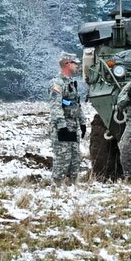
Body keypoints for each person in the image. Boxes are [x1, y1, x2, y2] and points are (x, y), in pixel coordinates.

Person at [49, 52, 85, 184]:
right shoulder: (57, 83)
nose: (77, 66)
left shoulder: (71, 83)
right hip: (63, 126)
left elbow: (74, 103)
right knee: (62, 158)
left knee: (74, 158)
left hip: (73, 126)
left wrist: (82, 122)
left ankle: (72, 185)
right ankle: (57, 186)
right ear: (67, 64)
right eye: (75, 63)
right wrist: (61, 125)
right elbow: (55, 106)